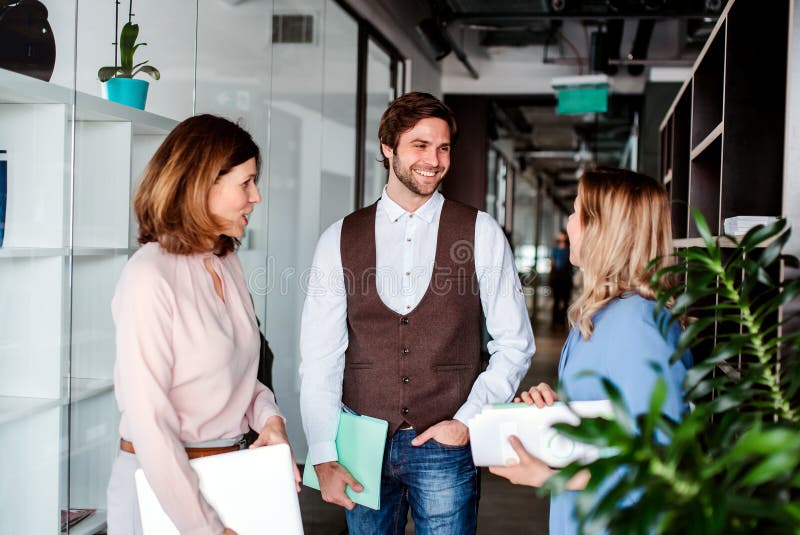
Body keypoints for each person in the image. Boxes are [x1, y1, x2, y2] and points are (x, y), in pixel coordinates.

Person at [299, 92, 536, 534]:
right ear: (388, 148)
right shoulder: (339, 238)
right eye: (420, 145)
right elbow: (320, 357)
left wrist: (467, 422)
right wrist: (323, 450)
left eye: (443, 147)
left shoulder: (480, 232)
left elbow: (515, 343)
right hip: (360, 441)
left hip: (445, 442)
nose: (434, 159)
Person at [106, 114, 300, 535]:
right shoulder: (149, 276)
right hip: (166, 494)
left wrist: (269, 418)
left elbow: (243, 378)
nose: (256, 197)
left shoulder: (226, 261)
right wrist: (203, 529)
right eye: (245, 183)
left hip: (230, 479)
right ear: (201, 184)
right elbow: (149, 422)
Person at [488, 168, 692, 535]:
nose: (569, 222)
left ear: (604, 231)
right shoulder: (604, 313)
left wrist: (547, 475)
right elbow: (611, 423)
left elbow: (657, 469)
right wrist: (558, 409)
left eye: (577, 211)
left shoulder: (639, 327)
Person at [549, 230, 573, 328]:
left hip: (566, 278)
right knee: (556, 301)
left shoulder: (569, 250)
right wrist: (550, 277)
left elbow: (571, 265)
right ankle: (554, 323)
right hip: (557, 277)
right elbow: (552, 264)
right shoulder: (555, 250)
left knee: (566, 301)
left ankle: (562, 323)